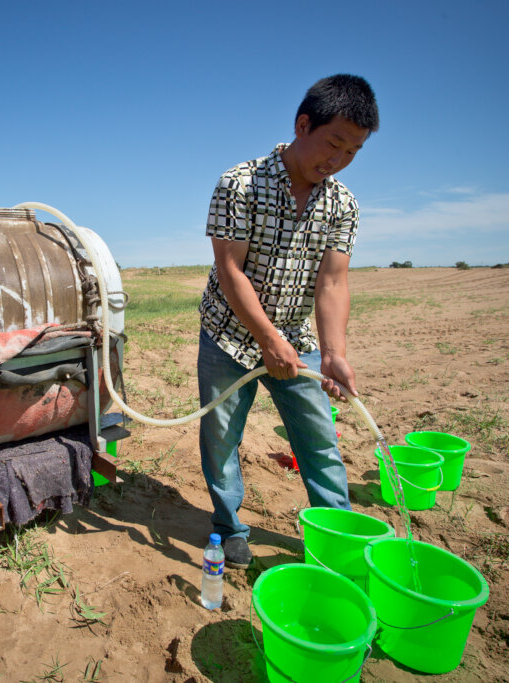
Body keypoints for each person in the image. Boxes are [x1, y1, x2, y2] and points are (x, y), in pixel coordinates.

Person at [197, 74, 379, 569]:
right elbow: (230, 271)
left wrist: (334, 354)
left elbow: (332, 283)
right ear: (303, 125)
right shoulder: (239, 184)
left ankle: (335, 535)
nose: (338, 160)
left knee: (319, 440)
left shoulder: (343, 204)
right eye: (333, 143)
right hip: (228, 334)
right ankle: (228, 527)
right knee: (221, 438)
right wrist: (266, 338)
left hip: (296, 341)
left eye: (352, 151)